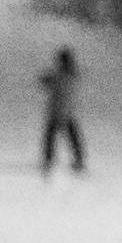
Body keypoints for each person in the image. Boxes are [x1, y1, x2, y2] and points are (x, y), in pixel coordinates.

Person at [38, 46, 85, 175]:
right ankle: (79, 160)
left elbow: (47, 81)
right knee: (71, 135)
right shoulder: (73, 75)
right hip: (68, 110)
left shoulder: (61, 76)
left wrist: (47, 79)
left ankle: (48, 159)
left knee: (51, 136)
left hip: (57, 109)